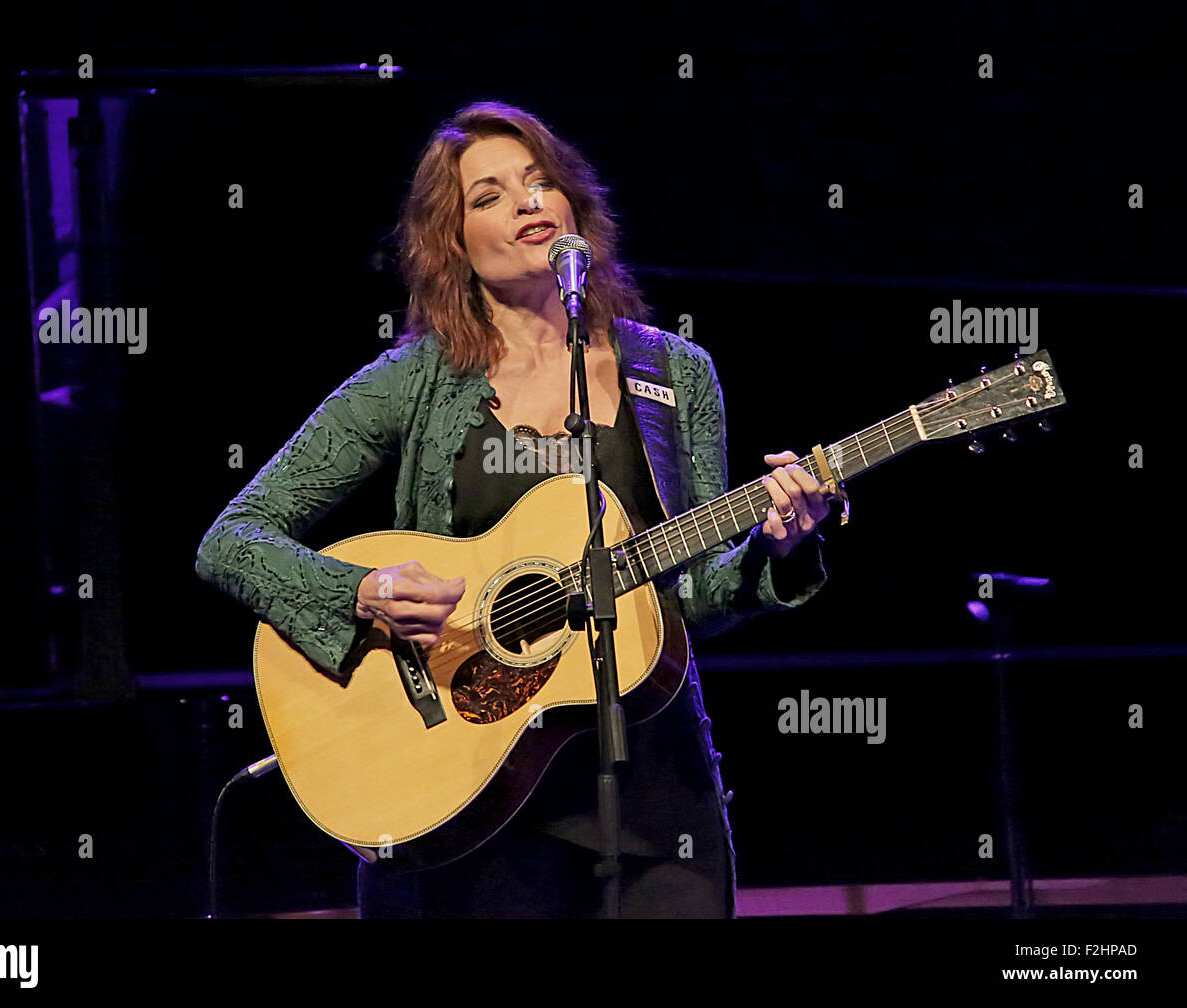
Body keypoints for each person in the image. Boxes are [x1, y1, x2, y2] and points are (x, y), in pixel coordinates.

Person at [195, 100, 833, 918]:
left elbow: (696, 597)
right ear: (451, 242)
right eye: (488, 195)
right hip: (466, 787)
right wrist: (360, 592)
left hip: (651, 789)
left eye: (540, 182)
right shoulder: (416, 378)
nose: (529, 203)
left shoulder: (675, 373)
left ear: (574, 207)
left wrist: (777, 549)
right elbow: (232, 539)